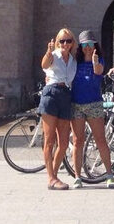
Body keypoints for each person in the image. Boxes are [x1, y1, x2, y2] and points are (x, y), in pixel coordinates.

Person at [70, 30, 114, 188]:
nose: (88, 47)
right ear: (80, 46)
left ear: (95, 45)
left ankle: (109, 175)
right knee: (78, 141)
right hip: (76, 104)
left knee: (100, 140)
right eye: (84, 44)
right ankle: (77, 176)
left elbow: (98, 72)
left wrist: (95, 62)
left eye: (90, 44)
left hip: (94, 104)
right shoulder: (75, 61)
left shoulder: (100, 59)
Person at [38, 28, 77, 190]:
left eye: (68, 41)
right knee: (49, 140)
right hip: (52, 93)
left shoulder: (73, 60)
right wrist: (48, 52)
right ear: (57, 42)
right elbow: (44, 64)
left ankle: (52, 175)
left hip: (65, 95)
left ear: (72, 43)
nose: (65, 44)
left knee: (63, 142)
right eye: (62, 41)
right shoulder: (53, 56)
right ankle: (52, 178)